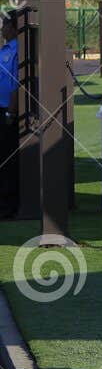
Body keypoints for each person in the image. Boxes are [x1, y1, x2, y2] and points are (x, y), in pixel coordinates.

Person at [0, 17, 20, 218]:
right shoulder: (5, 49)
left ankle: (8, 205)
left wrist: (10, 113)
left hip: (7, 110)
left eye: (5, 25)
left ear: (13, 27)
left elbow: (15, 86)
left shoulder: (17, 50)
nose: (2, 29)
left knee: (7, 158)